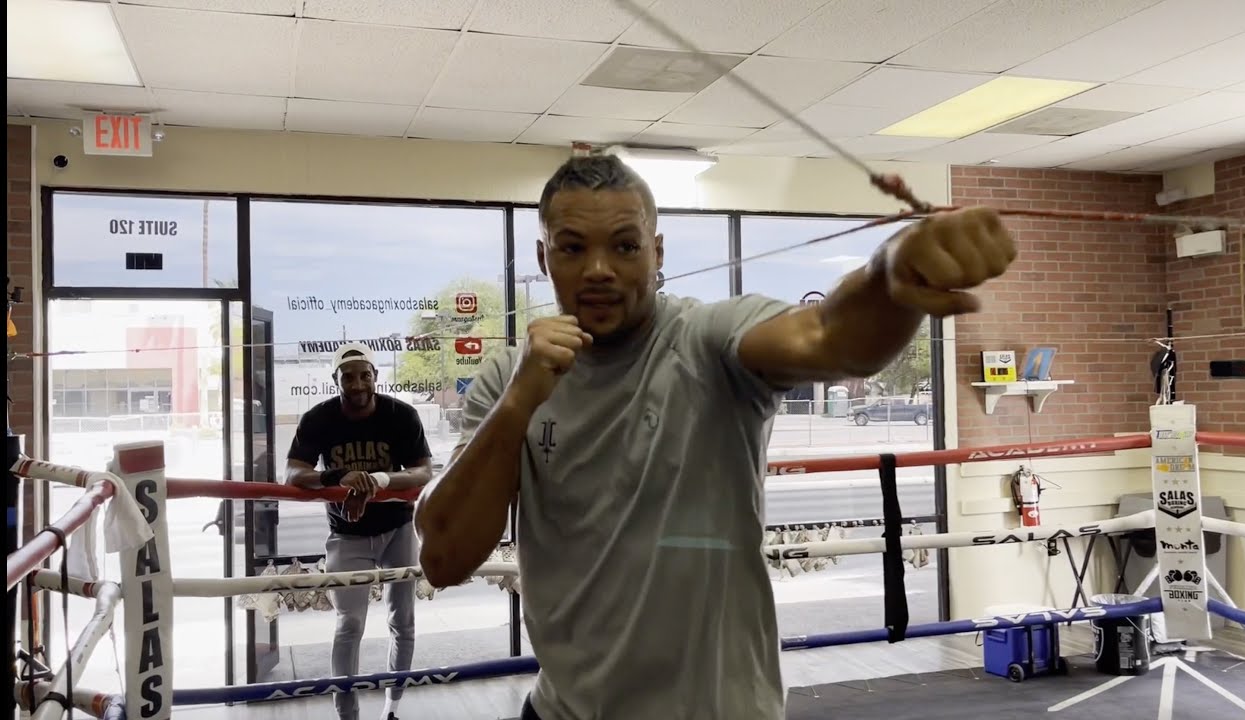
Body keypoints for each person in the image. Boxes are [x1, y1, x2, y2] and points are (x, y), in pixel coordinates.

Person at [413, 155, 1016, 720]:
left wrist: (892, 272)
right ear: (544, 259)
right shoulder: (509, 378)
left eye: (624, 246)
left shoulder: (707, 340)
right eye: (573, 248)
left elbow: (830, 336)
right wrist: (520, 400)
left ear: (656, 252)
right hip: (563, 710)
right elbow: (444, 558)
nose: (598, 269)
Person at [286, 341, 433, 720]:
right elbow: (293, 474)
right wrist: (339, 476)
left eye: (364, 375)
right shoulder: (319, 418)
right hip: (347, 533)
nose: (357, 384)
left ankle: (392, 708)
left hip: (398, 527)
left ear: (375, 377)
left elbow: (422, 472)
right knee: (349, 624)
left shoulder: (401, 414)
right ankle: (346, 714)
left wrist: (377, 480)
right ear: (336, 380)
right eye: (348, 377)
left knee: (403, 621)